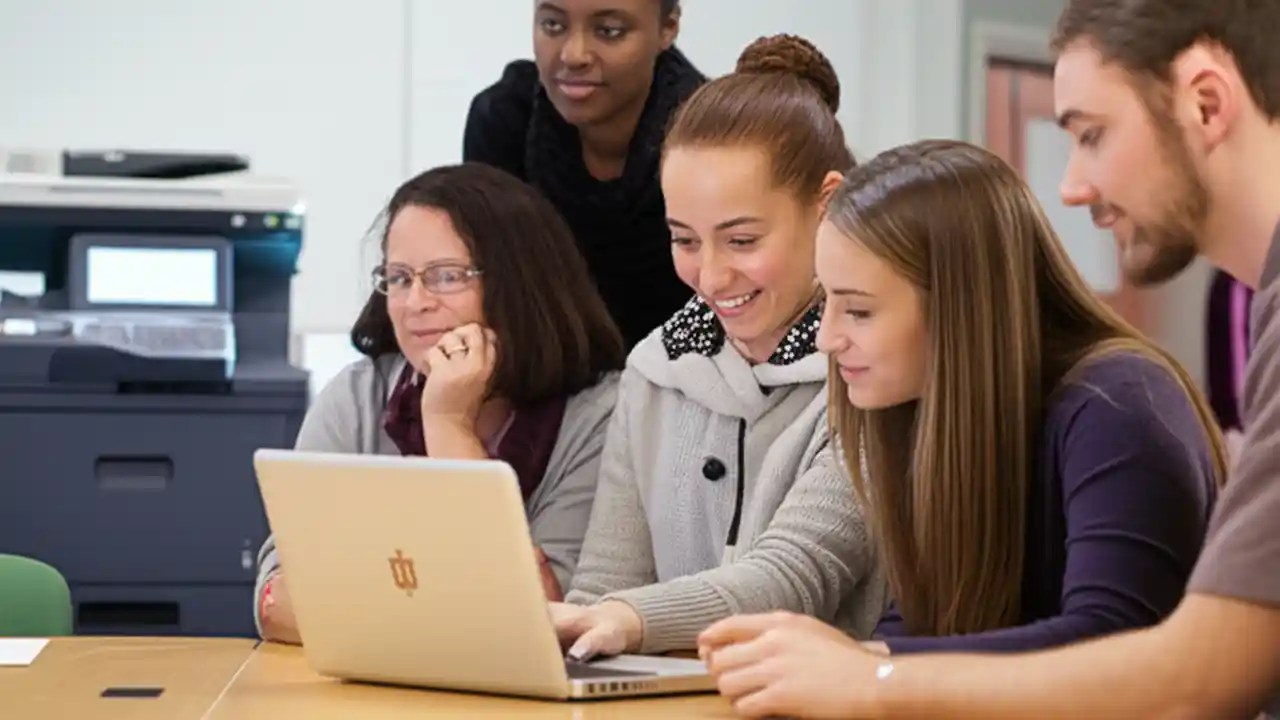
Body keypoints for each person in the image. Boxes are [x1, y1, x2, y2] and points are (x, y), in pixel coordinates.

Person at [697, 1, 1280, 717]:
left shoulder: (1119, 398)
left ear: (1207, 101)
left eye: (1092, 135)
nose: (1073, 186)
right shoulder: (922, 417)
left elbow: (1169, 660)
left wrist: (870, 676)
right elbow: (924, 626)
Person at [545, 34, 887, 663]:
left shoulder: (871, 368)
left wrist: (624, 618)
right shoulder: (653, 371)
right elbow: (603, 586)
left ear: (827, 205)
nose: (710, 277)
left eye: (741, 240)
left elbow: (791, 580)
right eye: (685, 240)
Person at [254, 163, 626, 645]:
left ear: (520, 283)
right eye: (400, 277)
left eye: (447, 276)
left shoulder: (602, 417)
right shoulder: (356, 397)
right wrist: (454, 610)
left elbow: (544, 623)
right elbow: (276, 603)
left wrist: (448, 422)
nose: (415, 302)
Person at [464, 0, 706, 349]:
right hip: (543, 380)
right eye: (553, 26)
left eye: (609, 31)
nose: (573, 55)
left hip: (690, 386)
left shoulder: (717, 142)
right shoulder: (505, 121)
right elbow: (494, 296)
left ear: (667, 28)